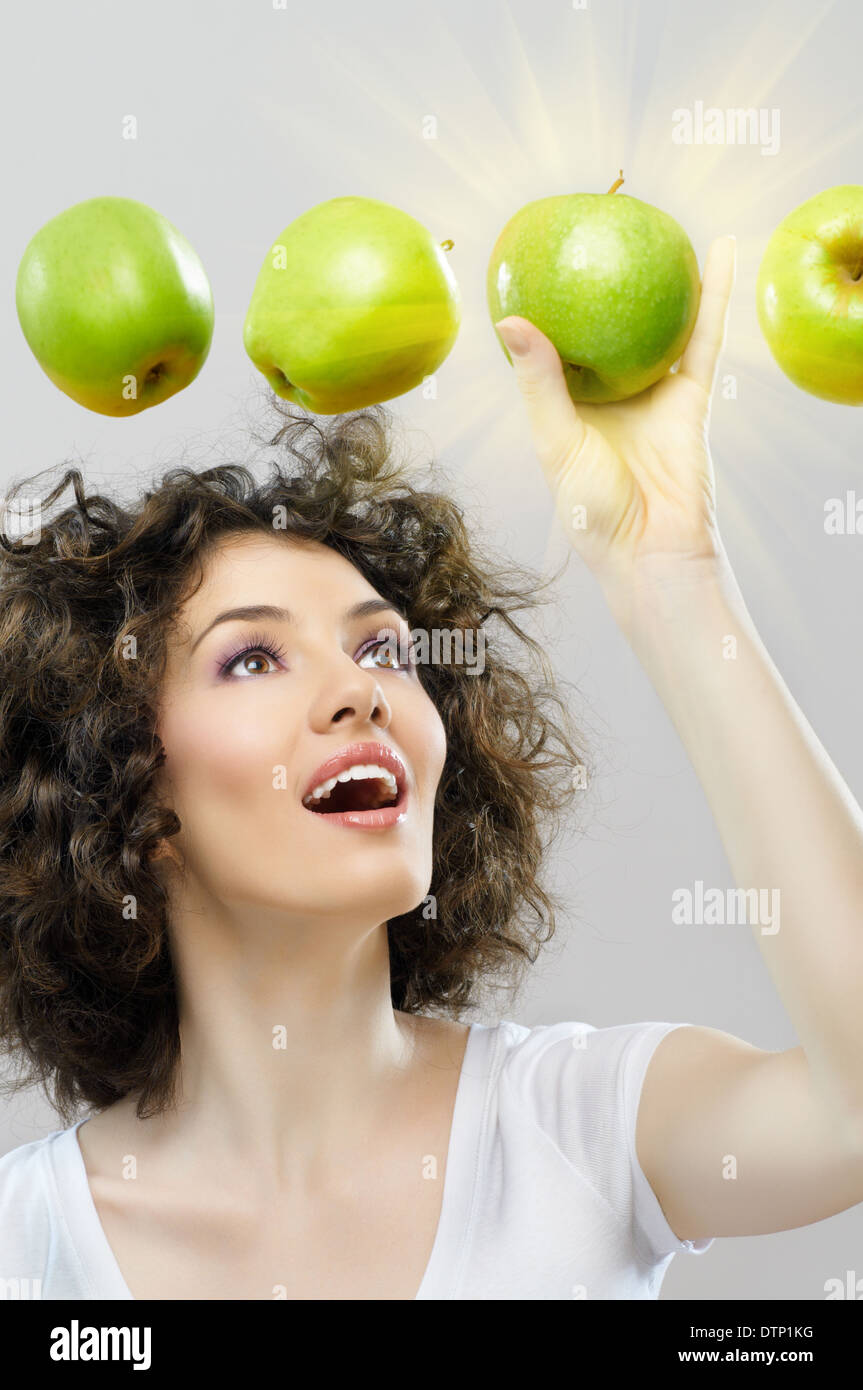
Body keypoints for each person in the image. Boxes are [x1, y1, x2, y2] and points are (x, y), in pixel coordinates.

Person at [1, 237, 861, 1300]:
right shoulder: (24, 1244)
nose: (361, 691)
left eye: (382, 649)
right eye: (253, 657)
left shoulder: (580, 1129)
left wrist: (670, 575)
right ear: (119, 775)